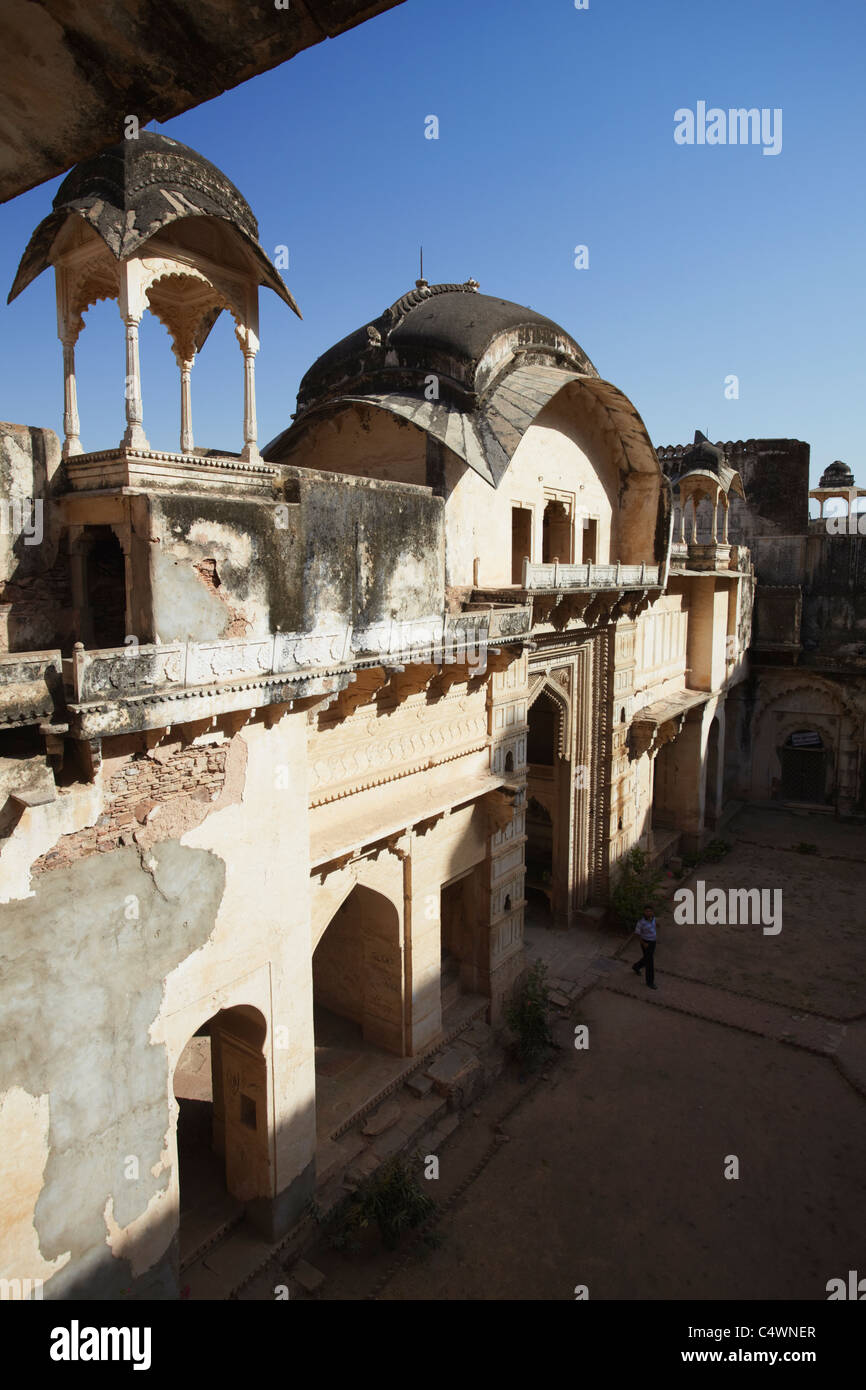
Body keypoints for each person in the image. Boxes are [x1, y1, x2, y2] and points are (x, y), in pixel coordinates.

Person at [633, 904, 659, 988]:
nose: (649, 913)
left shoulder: (653, 918)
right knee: (650, 962)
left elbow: (655, 926)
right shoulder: (641, 922)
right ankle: (650, 982)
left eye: (650, 911)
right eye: (647, 911)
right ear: (644, 912)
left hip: (653, 942)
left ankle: (636, 966)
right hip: (646, 943)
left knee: (647, 958)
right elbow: (637, 934)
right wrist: (644, 944)